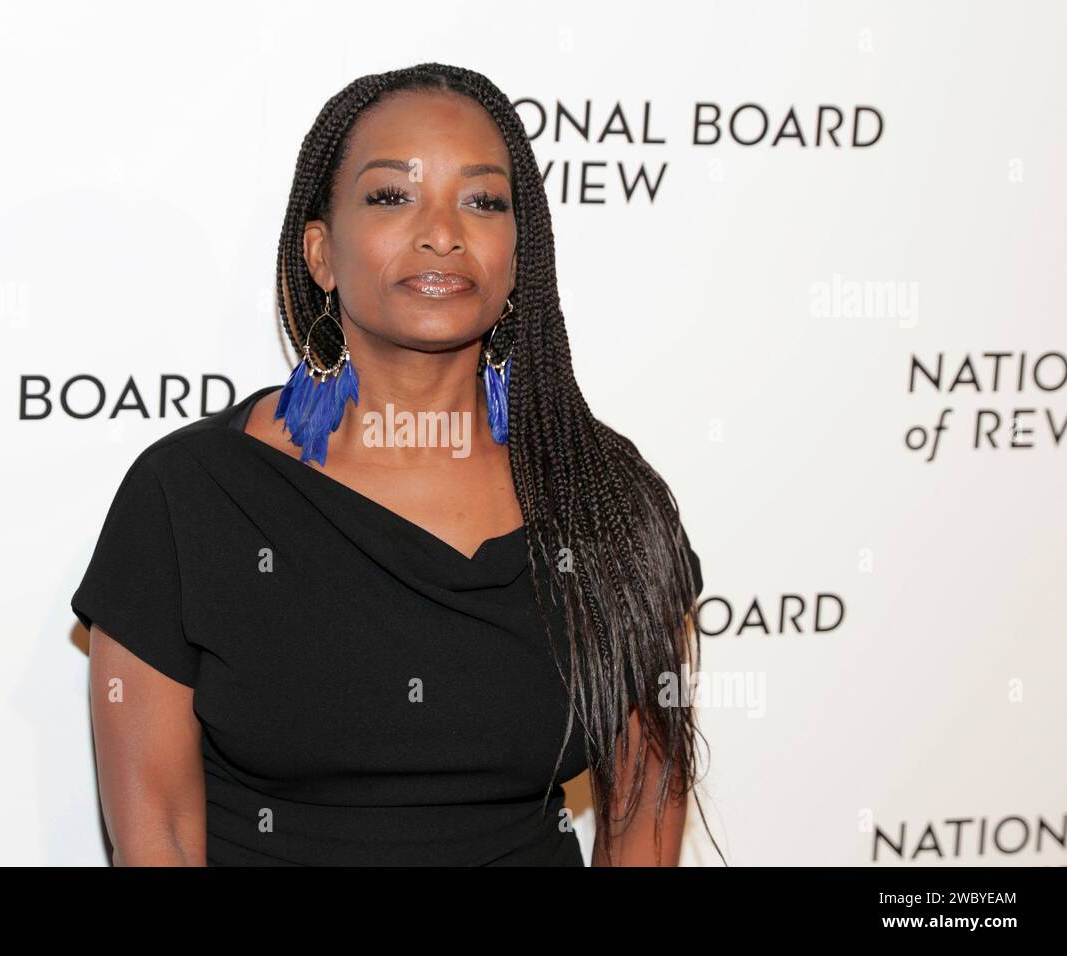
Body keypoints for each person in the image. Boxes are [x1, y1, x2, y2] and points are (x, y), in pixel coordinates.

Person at [71, 62, 718, 866]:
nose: (443, 232)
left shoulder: (602, 493)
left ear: (520, 255)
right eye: (391, 196)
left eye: (483, 201)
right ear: (320, 253)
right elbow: (158, 833)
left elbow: (648, 800)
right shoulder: (190, 496)